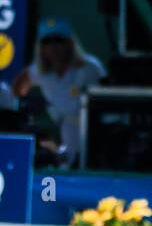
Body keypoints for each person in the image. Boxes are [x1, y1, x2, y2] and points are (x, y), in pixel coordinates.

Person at [23, 16, 106, 168]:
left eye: (58, 40)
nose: (53, 47)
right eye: (47, 41)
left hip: (90, 139)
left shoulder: (90, 68)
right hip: (51, 142)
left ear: (70, 43)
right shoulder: (35, 72)